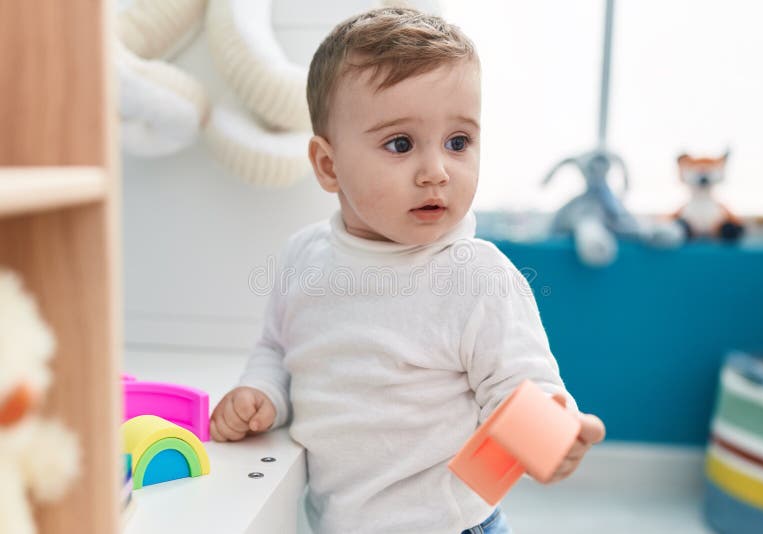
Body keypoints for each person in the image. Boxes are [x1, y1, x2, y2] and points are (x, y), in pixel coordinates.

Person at [209, 7, 605, 533]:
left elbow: (518, 385)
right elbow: (277, 349)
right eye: (400, 144)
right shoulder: (304, 259)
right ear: (328, 165)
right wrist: (260, 393)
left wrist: (551, 437)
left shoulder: (476, 276)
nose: (436, 172)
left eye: (458, 142)